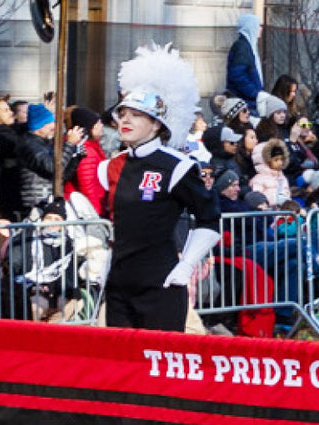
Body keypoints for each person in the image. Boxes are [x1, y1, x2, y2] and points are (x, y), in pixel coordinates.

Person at [100, 44, 220, 332]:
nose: (125, 120)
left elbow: (210, 218)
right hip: (119, 283)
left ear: (156, 124)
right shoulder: (110, 166)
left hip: (161, 282)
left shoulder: (177, 165)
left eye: (136, 114)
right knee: (120, 366)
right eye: (122, 113)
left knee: (158, 366)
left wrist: (186, 266)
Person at [225, 13, 264, 115]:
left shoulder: (247, 46)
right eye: (258, 26)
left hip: (248, 102)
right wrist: (255, 93)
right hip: (245, 104)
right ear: (251, 27)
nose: (260, 29)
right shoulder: (242, 48)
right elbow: (238, 76)